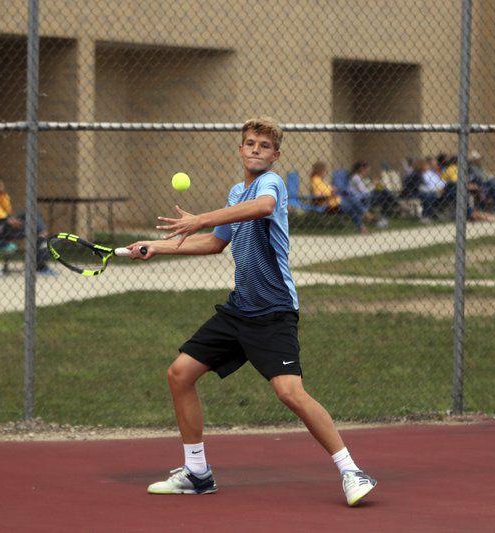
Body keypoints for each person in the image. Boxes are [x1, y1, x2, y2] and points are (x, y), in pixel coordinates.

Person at [124, 117, 377, 506]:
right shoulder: (234, 191)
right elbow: (214, 243)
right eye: (250, 144)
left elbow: (262, 208)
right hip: (239, 308)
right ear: (239, 150)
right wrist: (160, 246)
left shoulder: (269, 185)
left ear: (275, 155)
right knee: (180, 373)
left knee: (289, 392)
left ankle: (351, 471)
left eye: (264, 145)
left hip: (274, 310)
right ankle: (197, 472)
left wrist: (200, 218)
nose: (256, 150)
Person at [0, 165, 56, 275]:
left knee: (32, 216)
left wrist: (2, 193)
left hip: (5, 224)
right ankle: (41, 239)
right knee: (29, 225)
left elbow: (8, 210)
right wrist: (5, 219)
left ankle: (41, 265)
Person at [347, 161, 395, 229]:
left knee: (383, 195)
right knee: (383, 193)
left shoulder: (360, 177)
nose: (367, 172)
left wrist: (373, 185)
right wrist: (373, 185)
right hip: (361, 199)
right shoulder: (356, 178)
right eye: (366, 170)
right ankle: (396, 203)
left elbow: (366, 189)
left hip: (365, 197)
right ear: (361, 169)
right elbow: (365, 192)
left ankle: (384, 217)